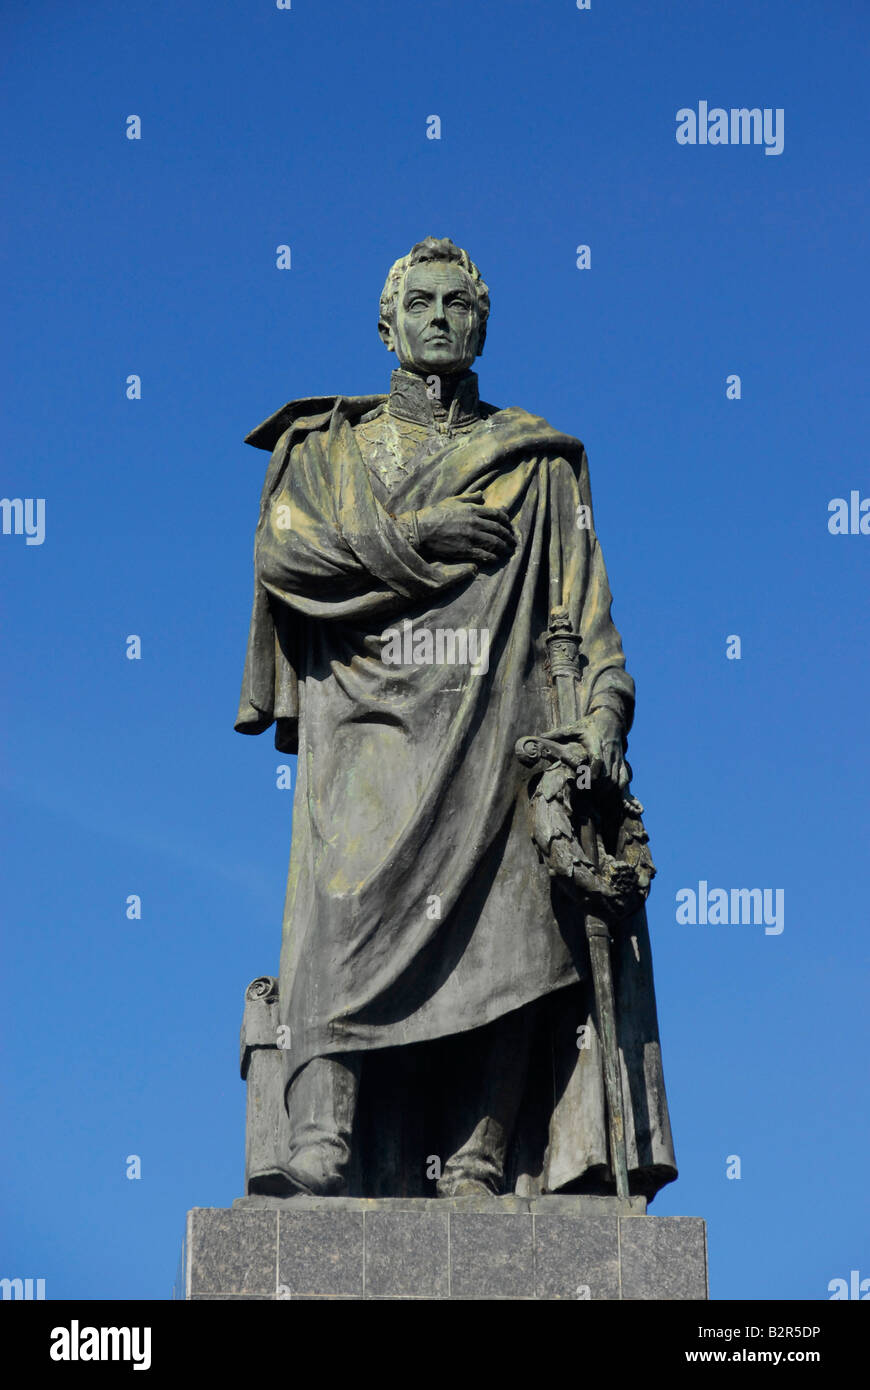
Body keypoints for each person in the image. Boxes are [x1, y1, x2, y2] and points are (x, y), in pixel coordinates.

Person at [236, 237, 677, 1199]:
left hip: (500, 735)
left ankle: (478, 1155)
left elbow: (590, 612)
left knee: (517, 915)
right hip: (368, 733)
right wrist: (413, 539)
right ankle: (323, 1137)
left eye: (458, 305)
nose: (439, 317)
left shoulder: (539, 464)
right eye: (421, 302)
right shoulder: (324, 451)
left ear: (482, 324)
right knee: (341, 902)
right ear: (386, 324)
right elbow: (283, 559)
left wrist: (604, 713)